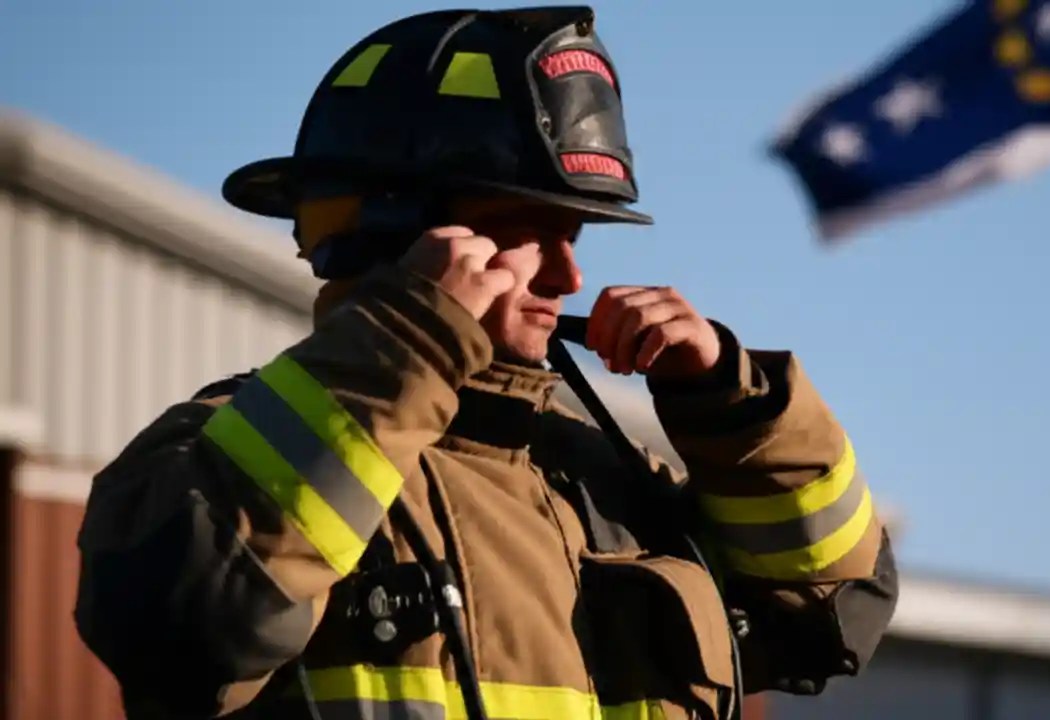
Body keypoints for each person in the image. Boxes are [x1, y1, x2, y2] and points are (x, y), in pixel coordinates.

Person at [73, 6, 899, 720]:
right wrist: (407, 339)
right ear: (396, 234)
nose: (569, 277)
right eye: (525, 227)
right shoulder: (226, 453)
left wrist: (734, 406)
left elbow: (832, 620)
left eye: (573, 236)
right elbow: (182, 626)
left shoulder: (608, 486)